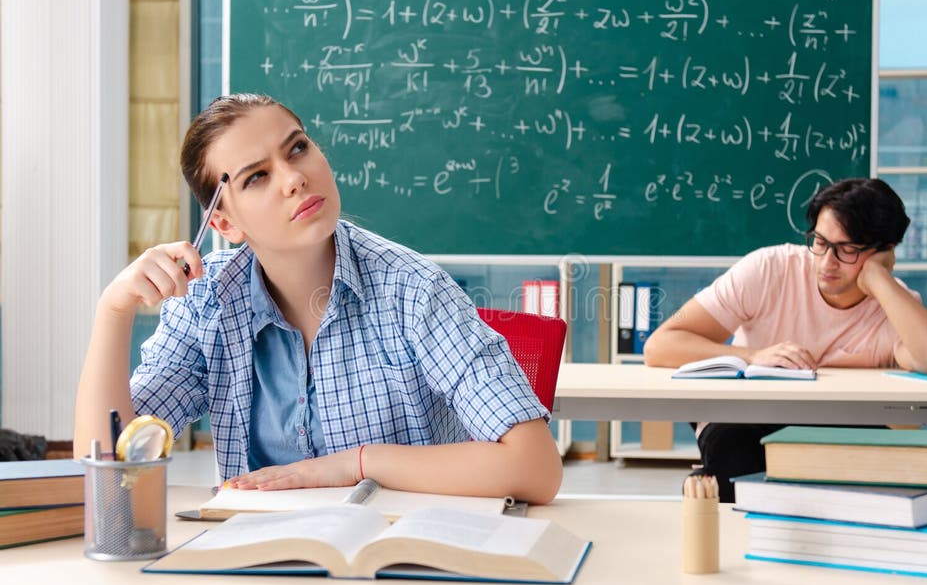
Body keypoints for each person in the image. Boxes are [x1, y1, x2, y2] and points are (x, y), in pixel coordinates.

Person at [73, 93, 562, 504]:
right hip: (262, 569)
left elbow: (536, 468)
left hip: (403, 565)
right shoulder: (207, 303)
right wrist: (112, 310)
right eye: (257, 177)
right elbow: (110, 474)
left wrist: (355, 464)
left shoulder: (413, 289)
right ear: (224, 224)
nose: (294, 178)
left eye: (298, 148)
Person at [643, 178, 927, 501]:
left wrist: (880, 280)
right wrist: (753, 356)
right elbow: (661, 344)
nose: (827, 263)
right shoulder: (769, 269)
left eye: (848, 250)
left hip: (839, 423)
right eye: (821, 242)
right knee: (736, 459)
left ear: (885, 252)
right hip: (746, 416)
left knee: (873, 473)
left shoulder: (894, 305)